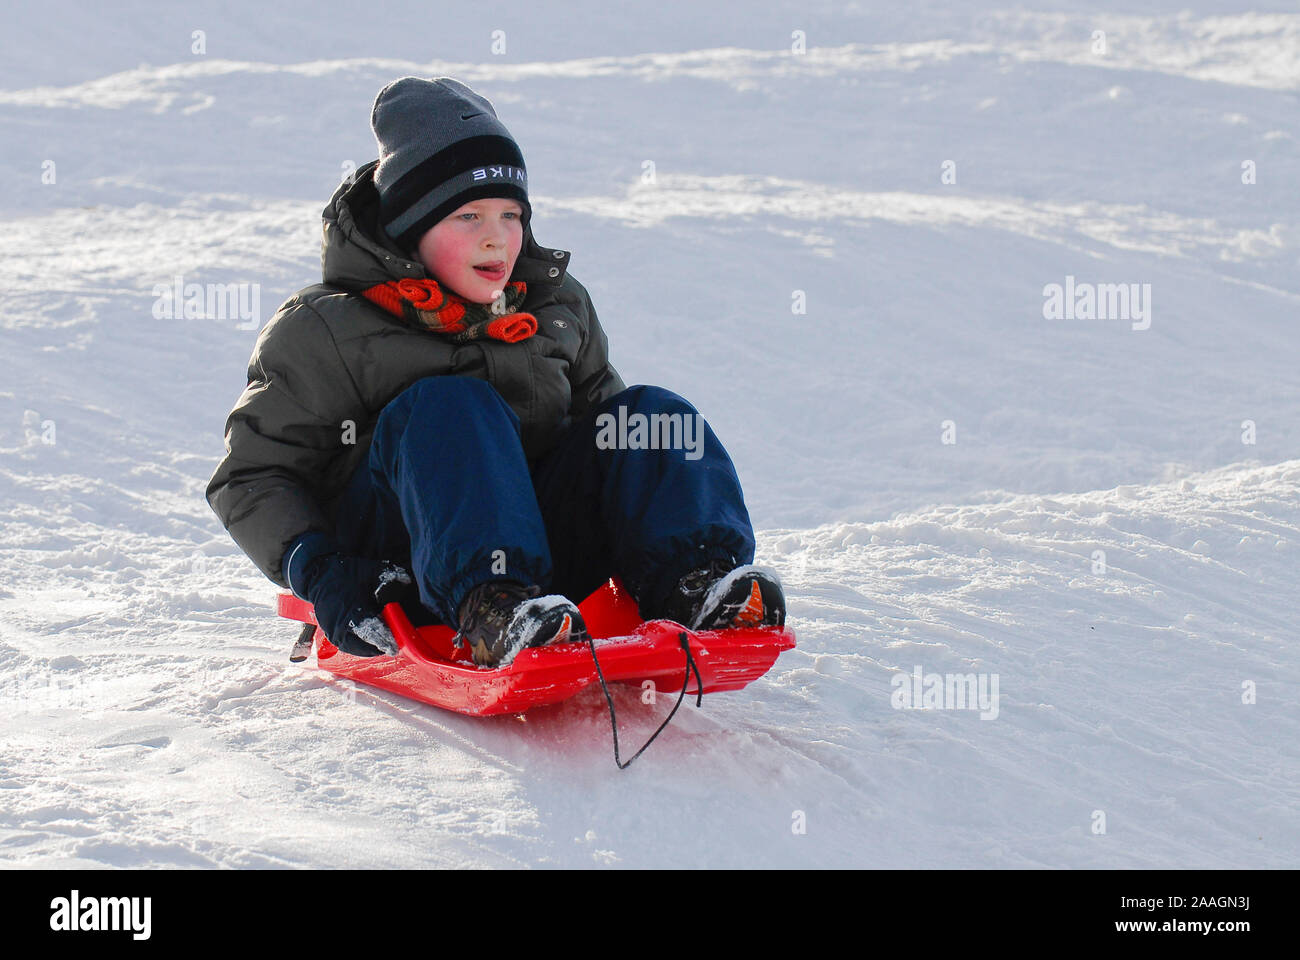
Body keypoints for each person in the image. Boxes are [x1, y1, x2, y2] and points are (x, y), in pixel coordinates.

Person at [206, 76, 784, 667]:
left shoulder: (555, 307)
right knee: (451, 407)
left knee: (646, 416)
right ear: (409, 230)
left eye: (511, 215)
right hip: (397, 565)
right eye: (468, 216)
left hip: (542, 567)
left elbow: (608, 445)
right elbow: (251, 476)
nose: (496, 238)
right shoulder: (325, 327)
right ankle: (492, 610)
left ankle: (696, 584)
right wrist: (320, 568)